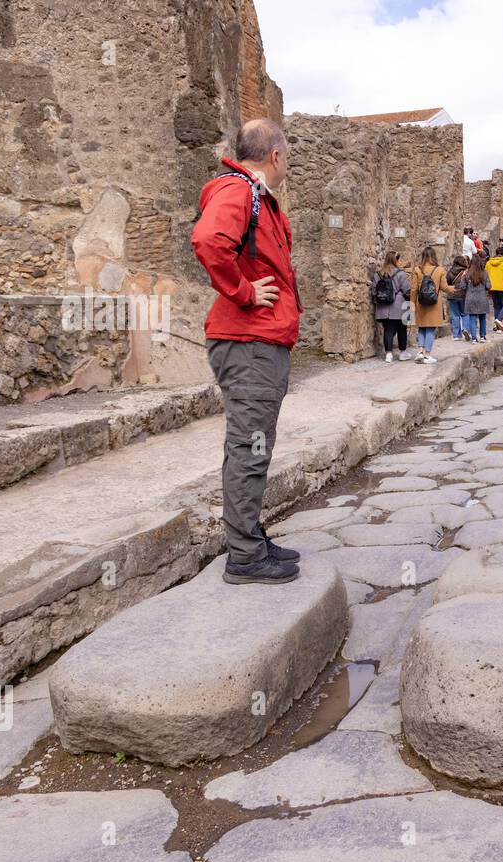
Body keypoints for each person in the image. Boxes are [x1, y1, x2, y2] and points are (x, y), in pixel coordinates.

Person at [192, 118, 302, 586]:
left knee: (252, 445)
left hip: (259, 342)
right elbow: (208, 242)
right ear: (275, 155)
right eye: (288, 155)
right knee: (249, 448)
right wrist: (243, 292)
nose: (288, 163)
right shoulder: (238, 192)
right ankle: (244, 557)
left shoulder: (253, 195)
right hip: (249, 342)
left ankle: (249, 537)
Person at [411, 245, 451, 363]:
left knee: (422, 328)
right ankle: (427, 354)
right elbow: (444, 287)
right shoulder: (440, 270)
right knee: (430, 329)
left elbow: (413, 289)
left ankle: (420, 351)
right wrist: (453, 289)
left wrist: (412, 304)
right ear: (433, 256)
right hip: (434, 304)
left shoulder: (417, 270)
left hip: (421, 303)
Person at [373, 250, 412, 361]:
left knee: (388, 330)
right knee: (402, 329)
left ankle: (388, 354)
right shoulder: (401, 274)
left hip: (383, 306)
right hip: (399, 305)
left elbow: (374, 291)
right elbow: (407, 290)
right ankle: (402, 352)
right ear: (396, 260)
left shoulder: (378, 274)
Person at [462, 253, 491, 343]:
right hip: (482, 298)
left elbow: (462, 287)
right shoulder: (485, 272)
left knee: (472, 318)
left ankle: (474, 338)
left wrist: (463, 277)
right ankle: (482, 336)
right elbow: (488, 286)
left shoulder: (467, 273)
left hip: (470, 298)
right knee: (482, 317)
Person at [445, 253, 469, 341]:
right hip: (463, 295)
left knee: (455, 315)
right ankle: (465, 329)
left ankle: (456, 335)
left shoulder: (450, 271)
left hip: (452, 295)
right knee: (465, 314)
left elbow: (446, 283)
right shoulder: (466, 271)